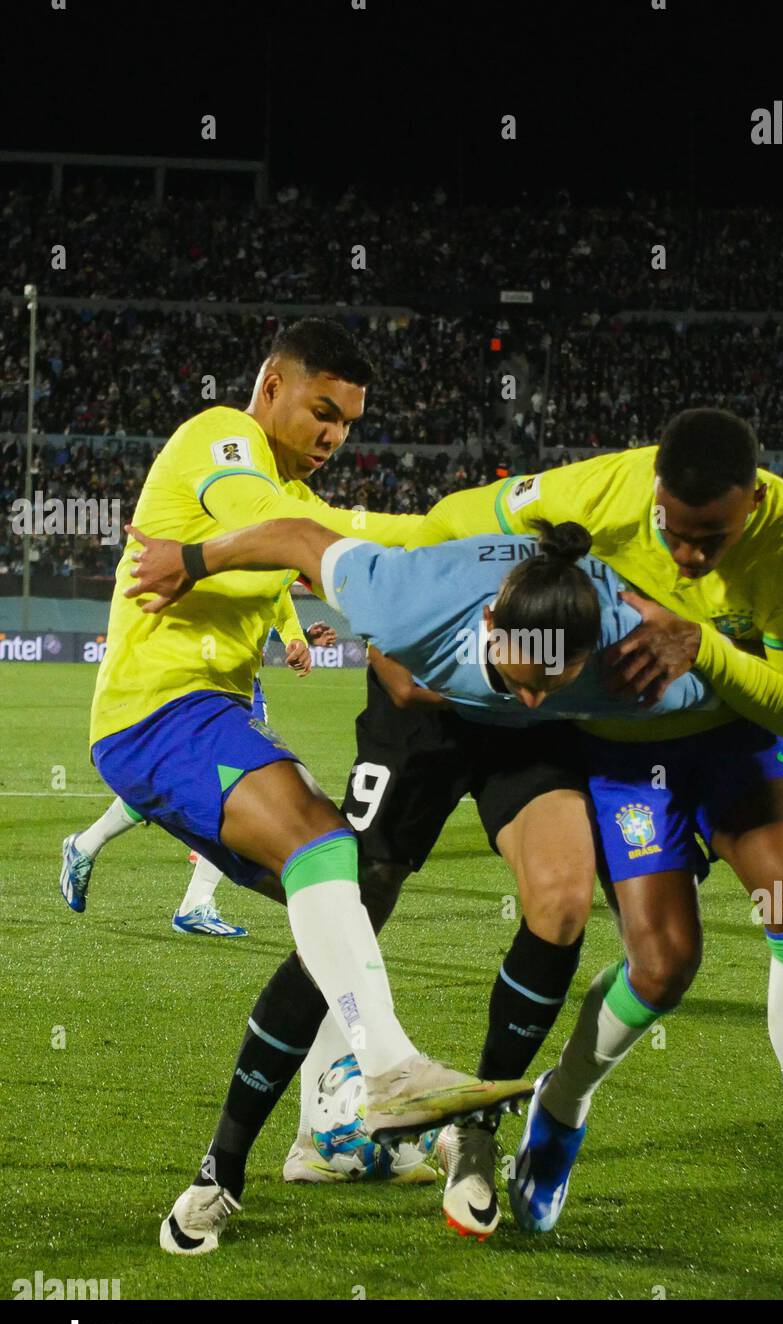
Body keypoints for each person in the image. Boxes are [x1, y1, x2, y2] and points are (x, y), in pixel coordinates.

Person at [410, 407, 783, 1264]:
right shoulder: (597, 490)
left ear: (752, 503)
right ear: (653, 495)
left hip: (740, 732)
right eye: (674, 533)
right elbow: (453, 518)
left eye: (710, 537)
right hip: (626, 750)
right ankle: (561, 1107)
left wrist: (703, 645)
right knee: (666, 964)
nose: (687, 555)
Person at [125, 513, 713, 1237]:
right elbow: (297, 540)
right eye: (524, 677)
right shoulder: (411, 598)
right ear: (492, 622)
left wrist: (697, 649)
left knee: (562, 900)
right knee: (350, 904)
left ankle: (476, 1132)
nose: (531, 692)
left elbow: (743, 687)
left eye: (551, 681)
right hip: (421, 720)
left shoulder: (617, 640)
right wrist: (189, 557)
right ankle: (223, 1163)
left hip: (524, 746)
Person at [89, 317, 531, 1256]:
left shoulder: (284, 496)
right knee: (327, 849)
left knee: (346, 894)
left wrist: (479, 541)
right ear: (271, 386)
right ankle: (388, 1070)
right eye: (321, 411)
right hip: (156, 712)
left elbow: (320, 550)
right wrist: (473, 532)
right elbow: (298, 530)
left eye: (348, 423)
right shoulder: (221, 437)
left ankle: (283, 1153)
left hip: (206, 717)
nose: (334, 436)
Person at [60, 601, 337, 937]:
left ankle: (89, 845)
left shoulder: (262, 566)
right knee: (234, 787)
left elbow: (270, 601)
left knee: (177, 781)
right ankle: (196, 902)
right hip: (196, 681)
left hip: (236, 681)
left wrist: (299, 635)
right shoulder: (209, 556)